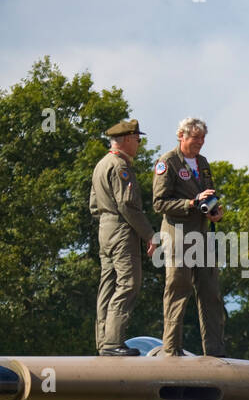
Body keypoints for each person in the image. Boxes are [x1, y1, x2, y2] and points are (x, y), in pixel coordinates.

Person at [152, 117, 225, 356]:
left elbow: (209, 193)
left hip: (203, 235)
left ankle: (215, 351)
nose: (200, 142)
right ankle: (172, 349)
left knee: (211, 292)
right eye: (195, 138)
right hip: (177, 235)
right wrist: (192, 203)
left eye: (203, 138)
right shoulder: (168, 162)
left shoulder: (202, 162)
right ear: (181, 136)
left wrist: (214, 211)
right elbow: (159, 203)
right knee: (178, 291)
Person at [89, 120, 157, 356]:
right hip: (121, 230)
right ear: (127, 138)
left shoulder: (101, 165)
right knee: (128, 283)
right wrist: (150, 235)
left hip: (105, 229)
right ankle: (113, 342)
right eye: (138, 139)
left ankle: (104, 341)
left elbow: (93, 206)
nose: (139, 144)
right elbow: (128, 205)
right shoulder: (120, 167)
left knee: (107, 285)